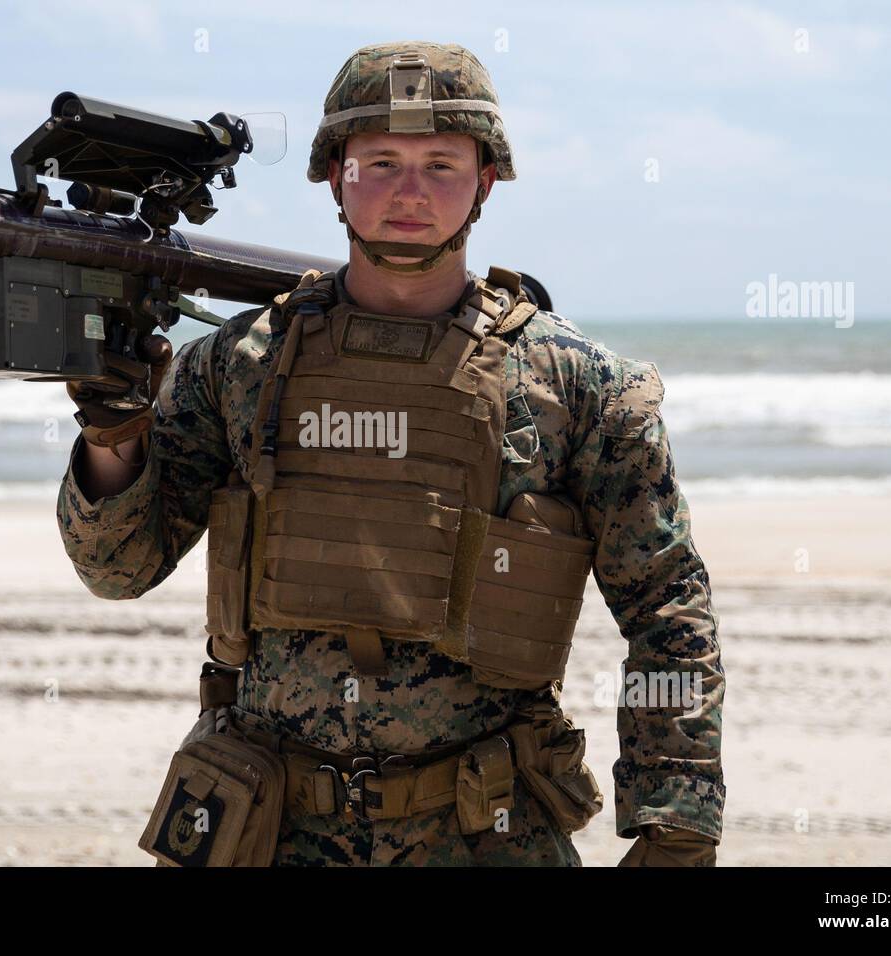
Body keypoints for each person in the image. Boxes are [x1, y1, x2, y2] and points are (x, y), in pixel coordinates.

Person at [59, 40, 724, 867]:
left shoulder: (579, 387)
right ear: (337, 173)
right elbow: (116, 570)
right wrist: (113, 437)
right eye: (381, 162)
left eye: (441, 164)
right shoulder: (240, 366)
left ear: (485, 181)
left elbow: (667, 610)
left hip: (485, 831)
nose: (410, 192)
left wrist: (676, 827)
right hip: (266, 826)